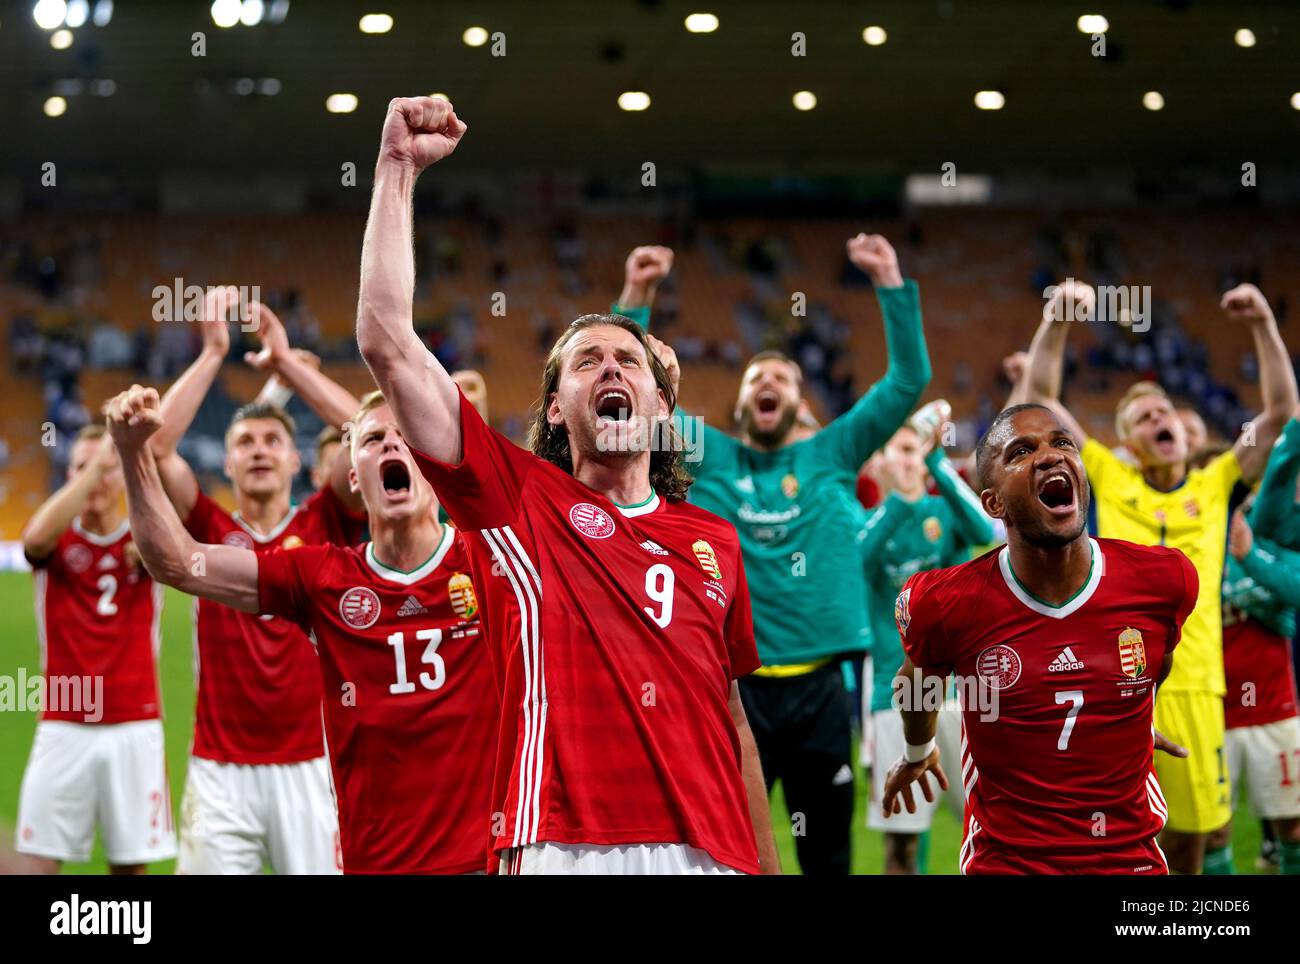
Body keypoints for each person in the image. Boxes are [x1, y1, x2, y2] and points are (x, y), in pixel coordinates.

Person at [355, 95, 777, 875]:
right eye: (587, 361)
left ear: (659, 405)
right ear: (557, 408)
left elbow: (733, 723)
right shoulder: (518, 502)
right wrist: (396, 170)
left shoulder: (714, 540)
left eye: (630, 361)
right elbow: (386, 338)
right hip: (560, 847)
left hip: (709, 854)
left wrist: (766, 866)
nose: (612, 367)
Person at [612, 234, 931, 875]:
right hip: (734, 692)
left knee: (827, 857)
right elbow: (633, 397)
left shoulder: (831, 451)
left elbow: (907, 380)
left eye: (783, 378)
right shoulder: (708, 452)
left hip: (820, 690)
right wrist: (637, 298)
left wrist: (891, 281)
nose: (770, 384)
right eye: (758, 378)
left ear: (798, 403)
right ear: (740, 404)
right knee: (728, 850)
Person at [106, 384, 498, 875]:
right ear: (354, 478)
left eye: (407, 437)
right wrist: (131, 454)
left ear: (434, 464)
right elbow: (178, 563)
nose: (393, 445)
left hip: (485, 859)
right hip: (375, 863)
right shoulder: (320, 577)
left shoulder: (491, 560)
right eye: (374, 440)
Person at [1016, 279, 1297, 873]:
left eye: (1163, 411)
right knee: (1108, 837)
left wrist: (1264, 323)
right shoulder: (1110, 481)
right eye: (1143, 417)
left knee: (1195, 839)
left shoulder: (1215, 483)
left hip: (1195, 683)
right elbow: (1036, 398)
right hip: (1115, 683)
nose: (1158, 418)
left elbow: (1280, 415)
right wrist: (1058, 320)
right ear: (1128, 442)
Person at [883, 403, 1198, 874]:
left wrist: (1129, 712)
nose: (1050, 456)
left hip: (1128, 859)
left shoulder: (1161, 579)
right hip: (1008, 861)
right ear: (993, 503)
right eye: (1021, 451)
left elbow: (1158, 660)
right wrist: (916, 750)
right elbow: (917, 682)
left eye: (1062, 443)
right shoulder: (947, 602)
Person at [148, 290, 367, 874]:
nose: (259, 451)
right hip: (219, 771)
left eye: (273, 441)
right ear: (226, 463)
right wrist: (214, 350)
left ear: (297, 461)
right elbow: (154, 446)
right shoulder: (207, 526)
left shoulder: (326, 520)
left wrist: (287, 365)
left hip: (312, 766)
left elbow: (367, 435)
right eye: (244, 442)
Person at [15, 425, 176, 874]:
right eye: (82, 467)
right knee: (37, 862)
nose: (97, 478)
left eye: (107, 470)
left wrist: (118, 462)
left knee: (130, 867)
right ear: (70, 476)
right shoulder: (57, 541)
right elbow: (32, 541)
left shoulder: (143, 543)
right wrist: (100, 462)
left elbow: (177, 538)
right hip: (63, 724)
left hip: (135, 722)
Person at [860, 403, 993, 873]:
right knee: (902, 844)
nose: (908, 459)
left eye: (914, 449)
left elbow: (984, 529)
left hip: (964, 695)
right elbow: (858, 558)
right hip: (894, 697)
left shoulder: (946, 511)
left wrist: (938, 462)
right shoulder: (870, 521)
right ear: (878, 462)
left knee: (991, 832)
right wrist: (900, 498)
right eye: (899, 451)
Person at [1214, 411, 1300, 875]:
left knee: (1295, 827)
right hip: (1212, 708)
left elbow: (1295, 591)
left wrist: (1251, 557)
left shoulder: (1274, 534)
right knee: (1213, 829)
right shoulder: (1204, 533)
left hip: (1275, 705)